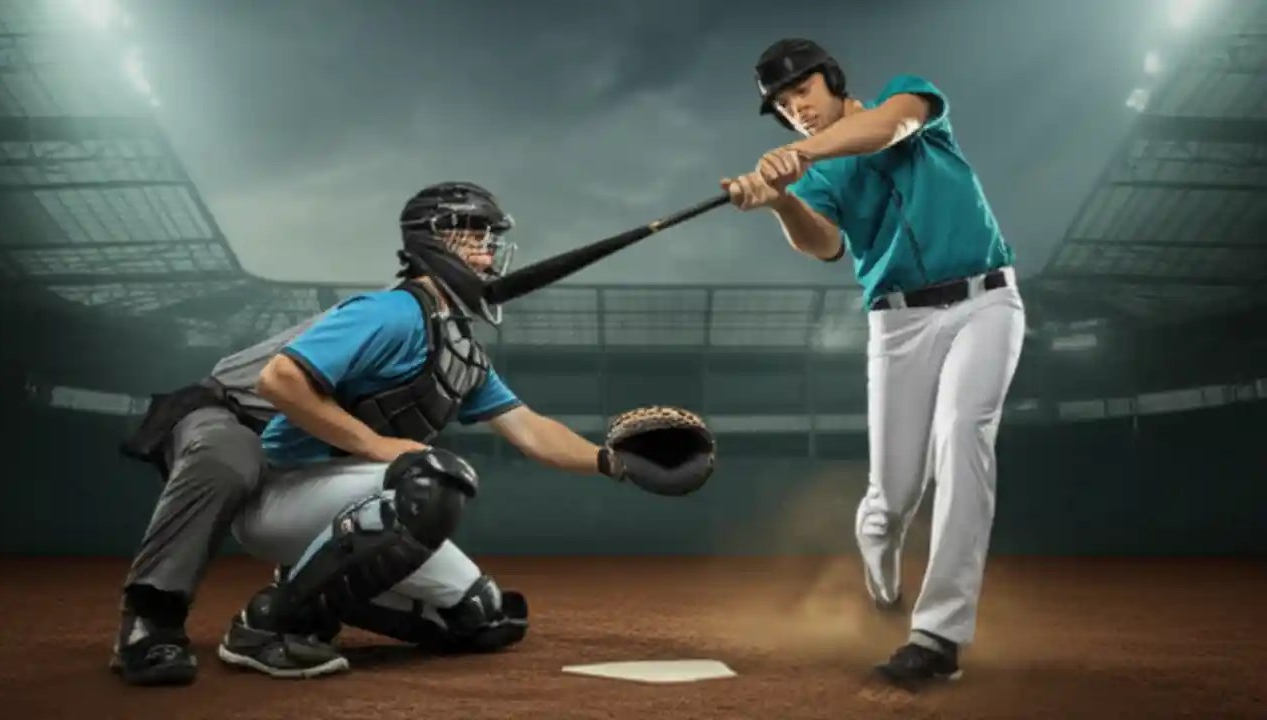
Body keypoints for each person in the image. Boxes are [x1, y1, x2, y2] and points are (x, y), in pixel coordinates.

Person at [213, 181, 703, 679]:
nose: (487, 246)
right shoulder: (389, 313)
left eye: (490, 235)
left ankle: (317, 583)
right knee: (434, 480)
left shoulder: (460, 349)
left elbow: (531, 430)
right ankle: (268, 625)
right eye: (471, 232)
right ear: (430, 238)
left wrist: (611, 462)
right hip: (282, 495)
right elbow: (278, 380)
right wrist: (377, 445)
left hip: (350, 506)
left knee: (483, 617)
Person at [721, 38, 1026, 687]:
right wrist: (779, 199)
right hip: (898, 323)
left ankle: (938, 634)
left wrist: (801, 154)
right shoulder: (817, 175)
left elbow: (890, 128)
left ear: (832, 79)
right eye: (783, 105)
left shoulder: (906, 98)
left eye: (803, 90)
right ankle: (881, 579)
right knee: (891, 501)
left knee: (963, 435)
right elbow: (825, 245)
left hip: (986, 302)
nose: (796, 109)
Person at [110, 299, 351, 686]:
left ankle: (296, 606)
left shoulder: (447, 356)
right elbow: (283, 384)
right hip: (231, 410)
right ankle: (151, 615)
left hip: (298, 444)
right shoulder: (392, 314)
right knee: (226, 457)